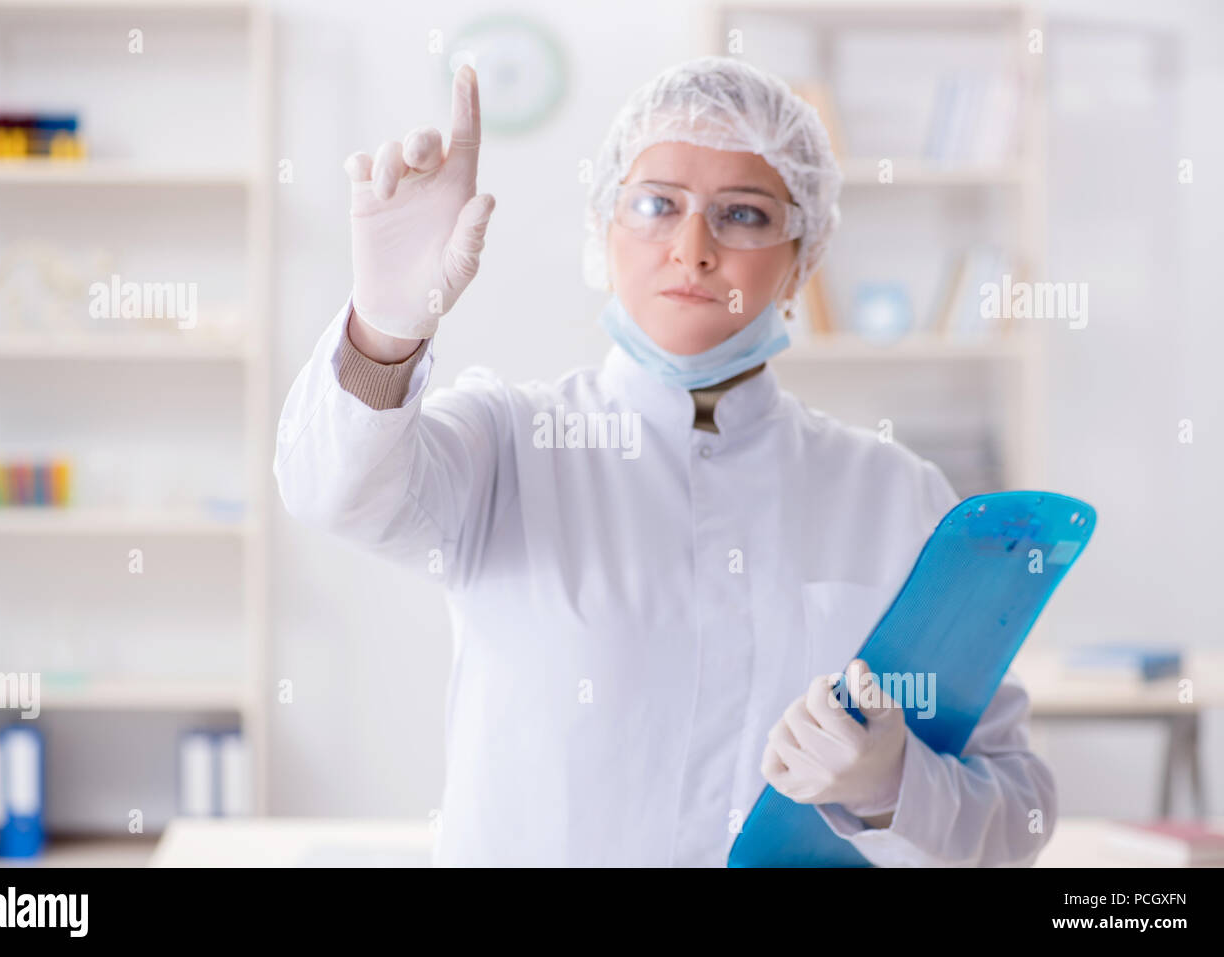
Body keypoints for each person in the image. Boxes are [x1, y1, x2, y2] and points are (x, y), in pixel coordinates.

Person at [274, 57, 1057, 867]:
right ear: (604, 230)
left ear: (804, 258)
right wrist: (386, 330)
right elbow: (335, 492)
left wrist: (895, 785)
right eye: (655, 206)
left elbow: (1020, 813)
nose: (693, 250)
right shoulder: (509, 444)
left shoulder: (897, 496)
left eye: (744, 215)